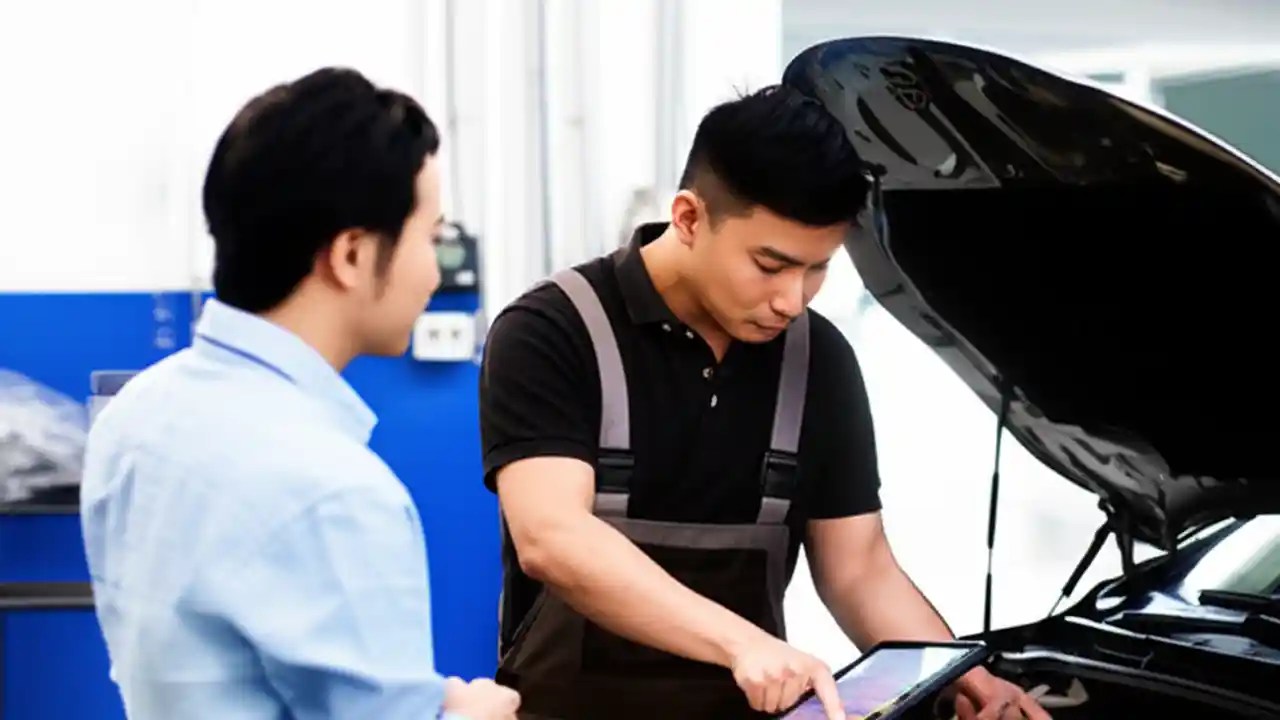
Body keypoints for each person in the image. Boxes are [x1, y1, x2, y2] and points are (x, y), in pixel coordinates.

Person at [478, 85, 1051, 720]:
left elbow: (858, 570)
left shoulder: (818, 360)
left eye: (817, 268)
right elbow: (553, 536)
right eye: (770, 265)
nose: (792, 299)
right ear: (689, 218)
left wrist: (963, 677)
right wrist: (741, 643)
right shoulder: (553, 331)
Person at [80, 68, 519, 720]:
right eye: (431, 237)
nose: (434, 272)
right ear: (351, 255)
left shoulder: (137, 413)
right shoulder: (333, 489)